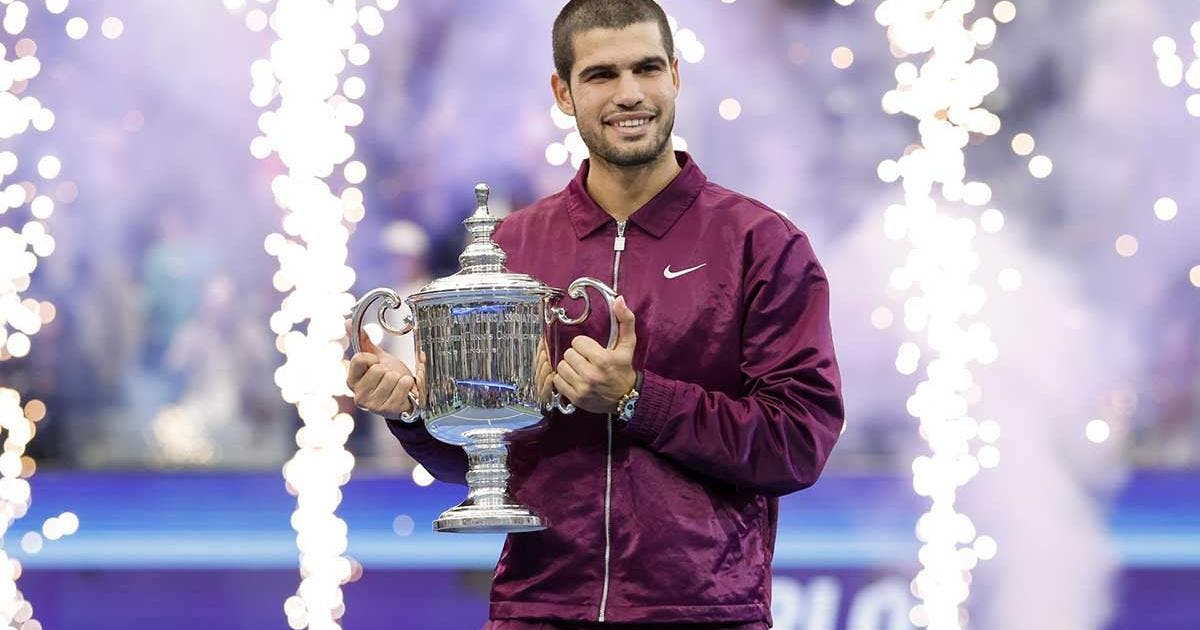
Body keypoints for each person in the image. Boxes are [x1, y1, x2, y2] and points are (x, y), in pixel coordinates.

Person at [347, 1, 845, 627]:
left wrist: (637, 397)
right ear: (563, 92)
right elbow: (477, 460)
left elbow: (797, 444)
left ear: (676, 78)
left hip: (703, 613)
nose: (630, 94)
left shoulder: (761, 244)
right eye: (602, 75)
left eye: (647, 69)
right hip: (538, 609)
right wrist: (413, 415)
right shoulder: (511, 250)